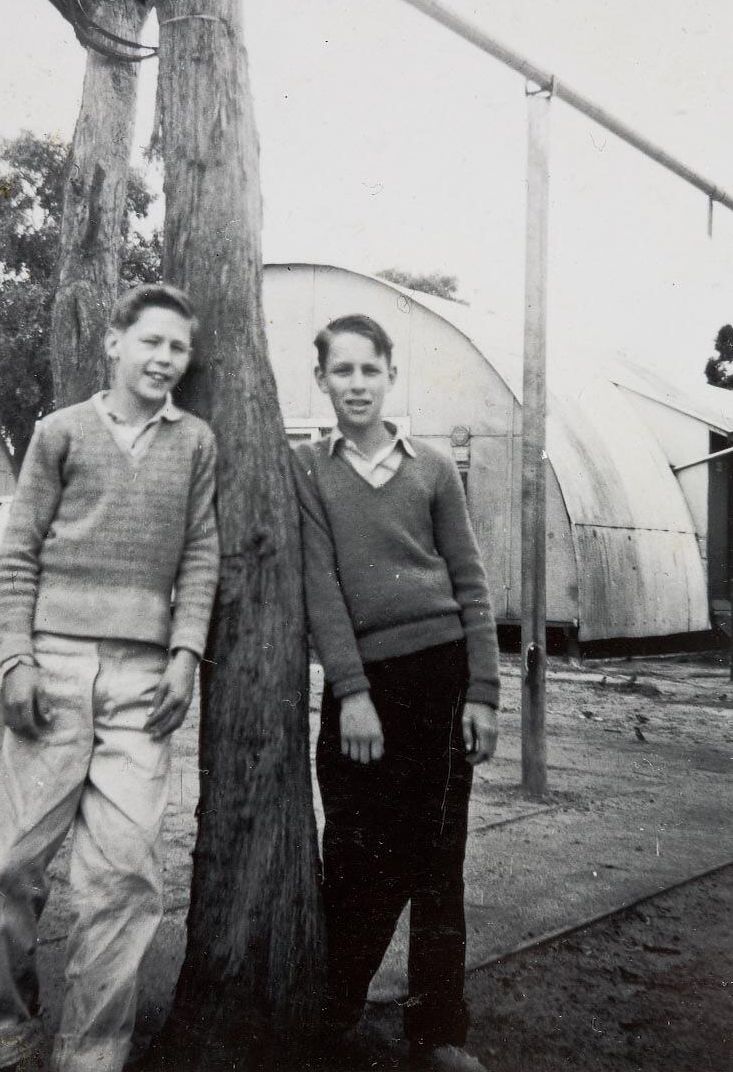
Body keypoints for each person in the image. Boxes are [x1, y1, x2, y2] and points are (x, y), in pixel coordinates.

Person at [0, 284, 220, 1072]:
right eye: (150, 342)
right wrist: (16, 660)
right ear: (114, 343)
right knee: (15, 864)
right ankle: (5, 1027)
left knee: (124, 878)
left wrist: (186, 653)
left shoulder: (195, 444)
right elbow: (16, 556)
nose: (164, 359)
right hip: (51, 666)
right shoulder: (61, 432)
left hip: (144, 681)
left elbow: (201, 555)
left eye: (177, 348)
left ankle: (91, 1055)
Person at [293, 313, 499, 1072]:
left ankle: (437, 1029)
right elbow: (320, 587)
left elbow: (470, 582)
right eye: (340, 370)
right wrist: (350, 691)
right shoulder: (307, 469)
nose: (355, 384)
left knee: (440, 859)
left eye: (368, 370)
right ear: (321, 380)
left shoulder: (433, 467)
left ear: (389, 376)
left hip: (442, 674)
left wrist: (483, 691)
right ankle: (333, 1007)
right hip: (366, 685)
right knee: (353, 852)